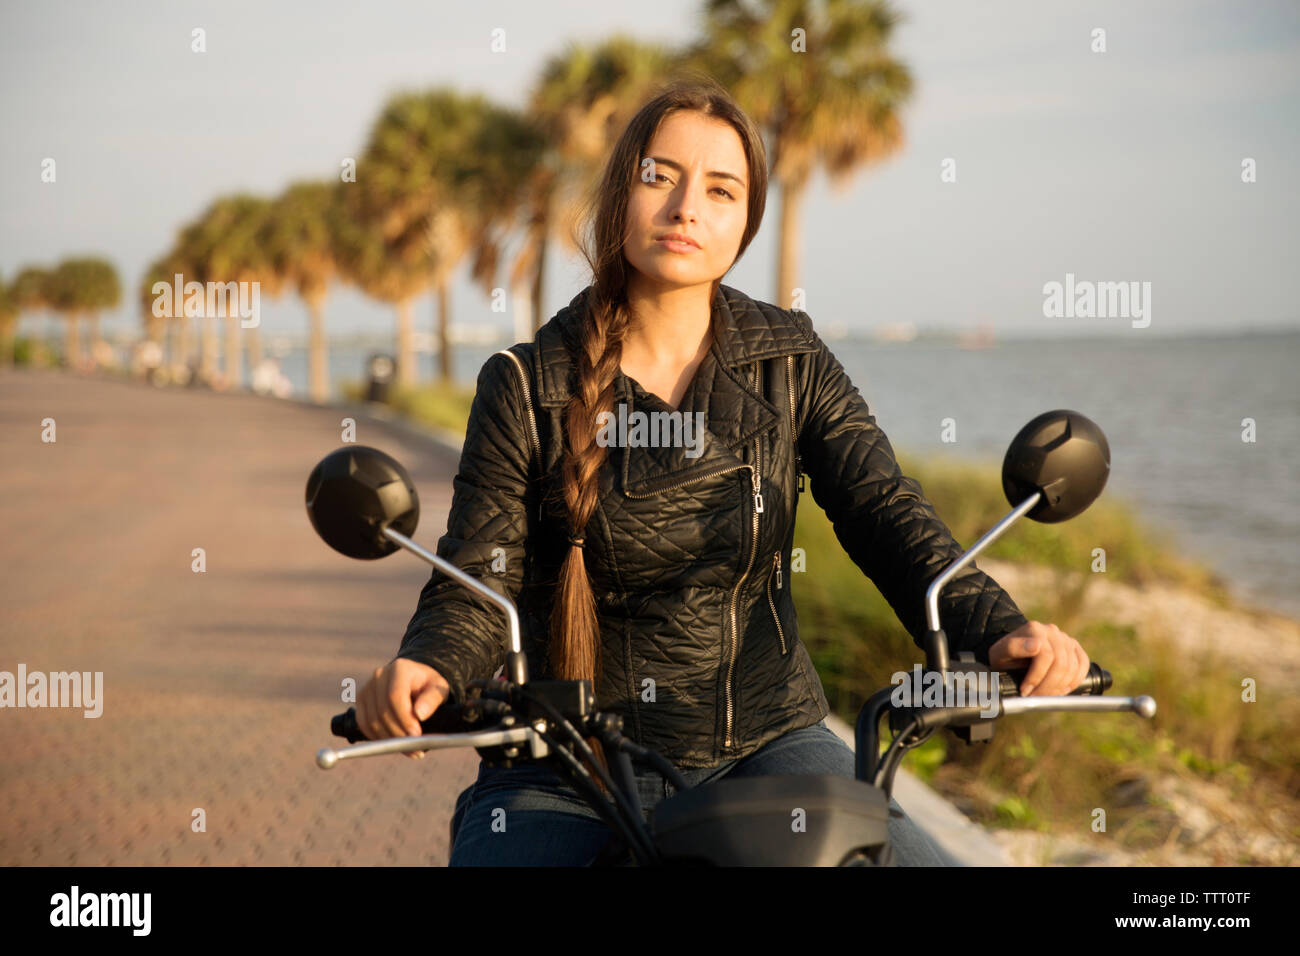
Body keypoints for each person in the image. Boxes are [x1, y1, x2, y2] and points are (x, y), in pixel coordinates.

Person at [354, 76, 1094, 867]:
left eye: (720, 189)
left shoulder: (789, 359)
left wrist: (1000, 632)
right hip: (561, 758)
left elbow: (885, 512)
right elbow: (479, 569)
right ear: (618, 196)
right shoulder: (527, 381)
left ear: (745, 222)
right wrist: (429, 664)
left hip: (769, 741)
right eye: (659, 177)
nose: (685, 209)